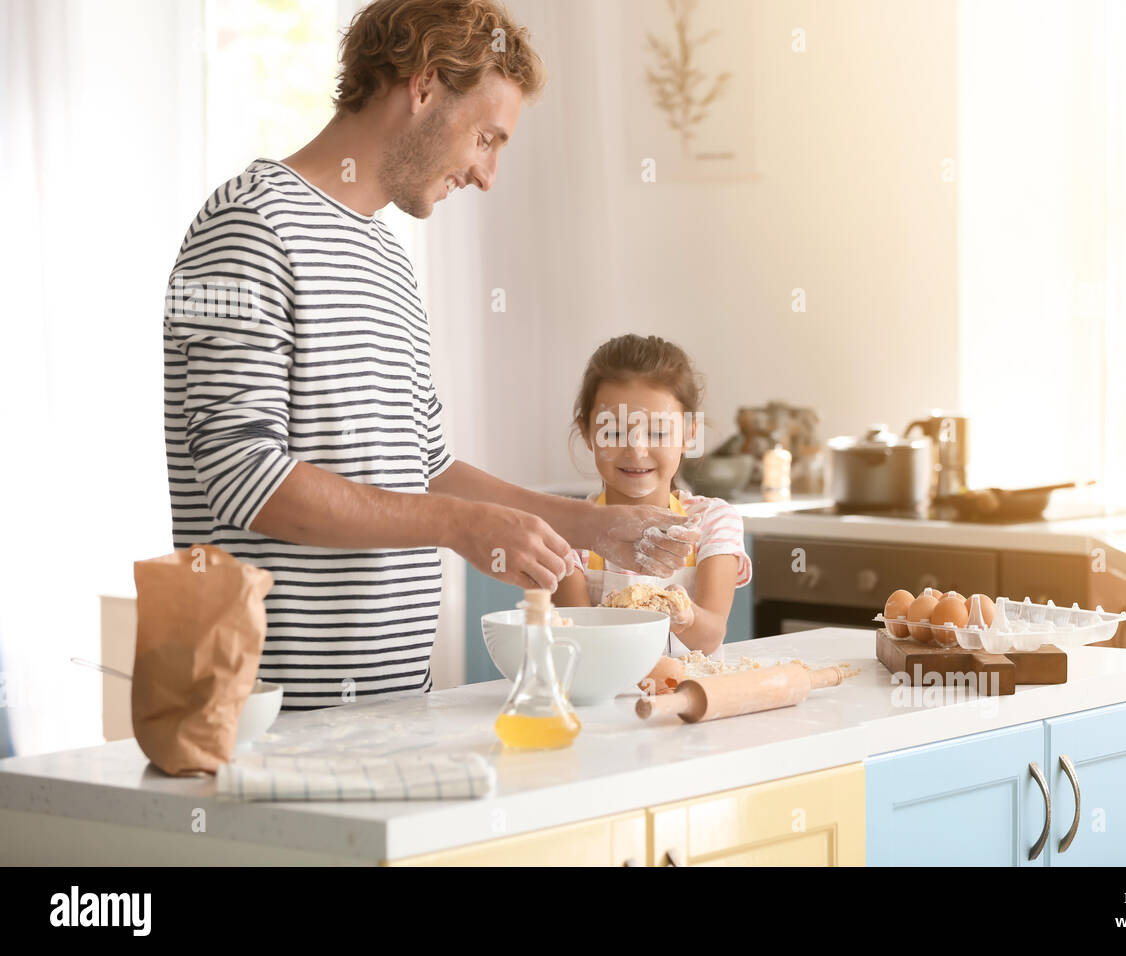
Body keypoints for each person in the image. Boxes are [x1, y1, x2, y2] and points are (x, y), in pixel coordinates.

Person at [162, 0, 698, 710]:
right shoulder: (247, 228)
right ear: (424, 86)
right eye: (486, 137)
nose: (488, 175)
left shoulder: (387, 256)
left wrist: (590, 524)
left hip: (392, 703)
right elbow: (242, 477)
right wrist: (459, 527)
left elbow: (431, 469)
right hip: (267, 715)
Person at [554, 335, 752, 658]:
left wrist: (685, 616)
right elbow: (580, 644)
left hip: (690, 700)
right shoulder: (569, 534)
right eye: (614, 432)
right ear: (588, 433)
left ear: (689, 434)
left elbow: (711, 636)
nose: (637, 450)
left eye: (658, 432)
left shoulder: (713, 522)